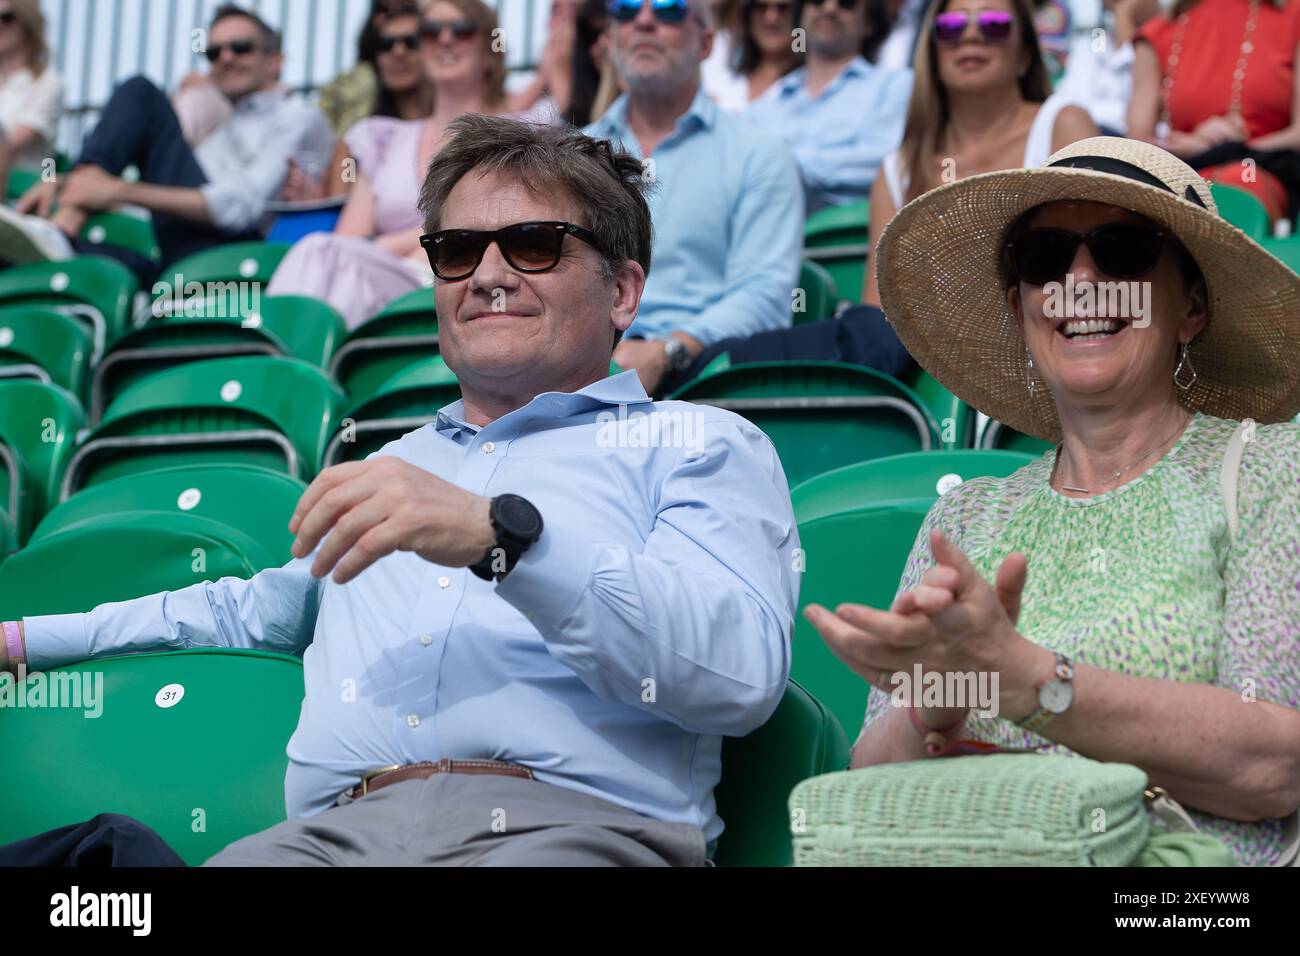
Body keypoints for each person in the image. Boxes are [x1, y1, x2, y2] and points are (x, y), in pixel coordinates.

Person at [1, 115, 799, 867]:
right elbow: (240, 612)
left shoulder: (698, 443)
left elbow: (738, 675)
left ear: (622, 291)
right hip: (327, 839)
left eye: (533, 245)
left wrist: (503, 540)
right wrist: (24, 642)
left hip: (570, 833)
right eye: (457, 250)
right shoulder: (395, 467)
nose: (488, 275)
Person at [806, 135, 1300, 866]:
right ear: (1021, 307)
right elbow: (869, 800)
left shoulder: (1269, 469)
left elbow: (1275, 767)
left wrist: (1031, 681)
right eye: (1046, 258)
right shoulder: (965, 517)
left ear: (1191, 305)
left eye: (1123, 251)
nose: (1081, 281)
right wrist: (932, 709)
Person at [0, 4, 333, 281]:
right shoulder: (221, 127)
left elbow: (239, 208)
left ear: (275, 61)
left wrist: (116, 190)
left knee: (140, 92)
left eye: (241, 48)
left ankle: (64, 223)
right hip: (177, 251)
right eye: (213, 52)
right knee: (37, 262)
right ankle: (61, 228)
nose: (226, 58)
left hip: (239, 252)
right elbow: (153, 197)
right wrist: (69, 184)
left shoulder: (298, 117)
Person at [586, 0, 804, 396]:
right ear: (612, 36)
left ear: (705, 43)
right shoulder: (572, 155)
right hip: (577, 370)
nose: (645, 20)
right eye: (626, 9)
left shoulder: (759, 154)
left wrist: (669, 351)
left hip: (703, 379)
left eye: (669, 9)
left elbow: (766, 296)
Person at [266, 0, 517, 329]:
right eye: (430, 32)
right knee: (320, 253)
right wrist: (415, 244)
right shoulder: (384, 139)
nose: (445, 39)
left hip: (466, 276)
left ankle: (272, 354)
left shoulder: (522, 132)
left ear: (489, 46)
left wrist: (393, 245)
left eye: (461, 29)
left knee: (323, 256)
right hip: (390, 283)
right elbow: (348, 242)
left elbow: (502, 223)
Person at [863, 0, 1097, 305]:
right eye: (950, 27)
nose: (970, 35)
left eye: (994, 25)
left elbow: (1094, 266)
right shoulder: (898, 171)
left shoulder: (1062, 126)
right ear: (933, 54)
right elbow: (877, 310)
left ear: (1024, 56)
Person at [1129, 0, 1300, 223]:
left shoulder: (1292, 15)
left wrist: (1226, 149)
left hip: (1262, 168)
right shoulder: (1158, 32)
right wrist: (1197, 147)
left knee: (1238, 184)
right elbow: (1137, 148)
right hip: (1183, 173)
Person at [747, 0, 913, 214]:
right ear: (801, 18)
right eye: (817, 1)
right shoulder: (769, 101)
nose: (829, 8)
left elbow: (887, 163)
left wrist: (786, 164)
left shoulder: (895, 86)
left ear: (869, 23)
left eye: (846, 3)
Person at [1054, 0, 1162, 135]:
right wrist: (1124, 113)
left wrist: (1124, 17)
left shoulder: (1170, 35)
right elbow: (1066, 103)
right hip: (1094, 137)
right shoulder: (1098, 40)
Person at [702, 0, 803, 112]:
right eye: (761, 7)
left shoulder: (808, 85)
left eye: (783, 8)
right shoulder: (727, 77)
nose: (771, 18)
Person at [0, 0, 63, 171]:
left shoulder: (48, 83)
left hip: (22, 183)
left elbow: (9, 146)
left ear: (28, 22)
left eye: (6, 17)